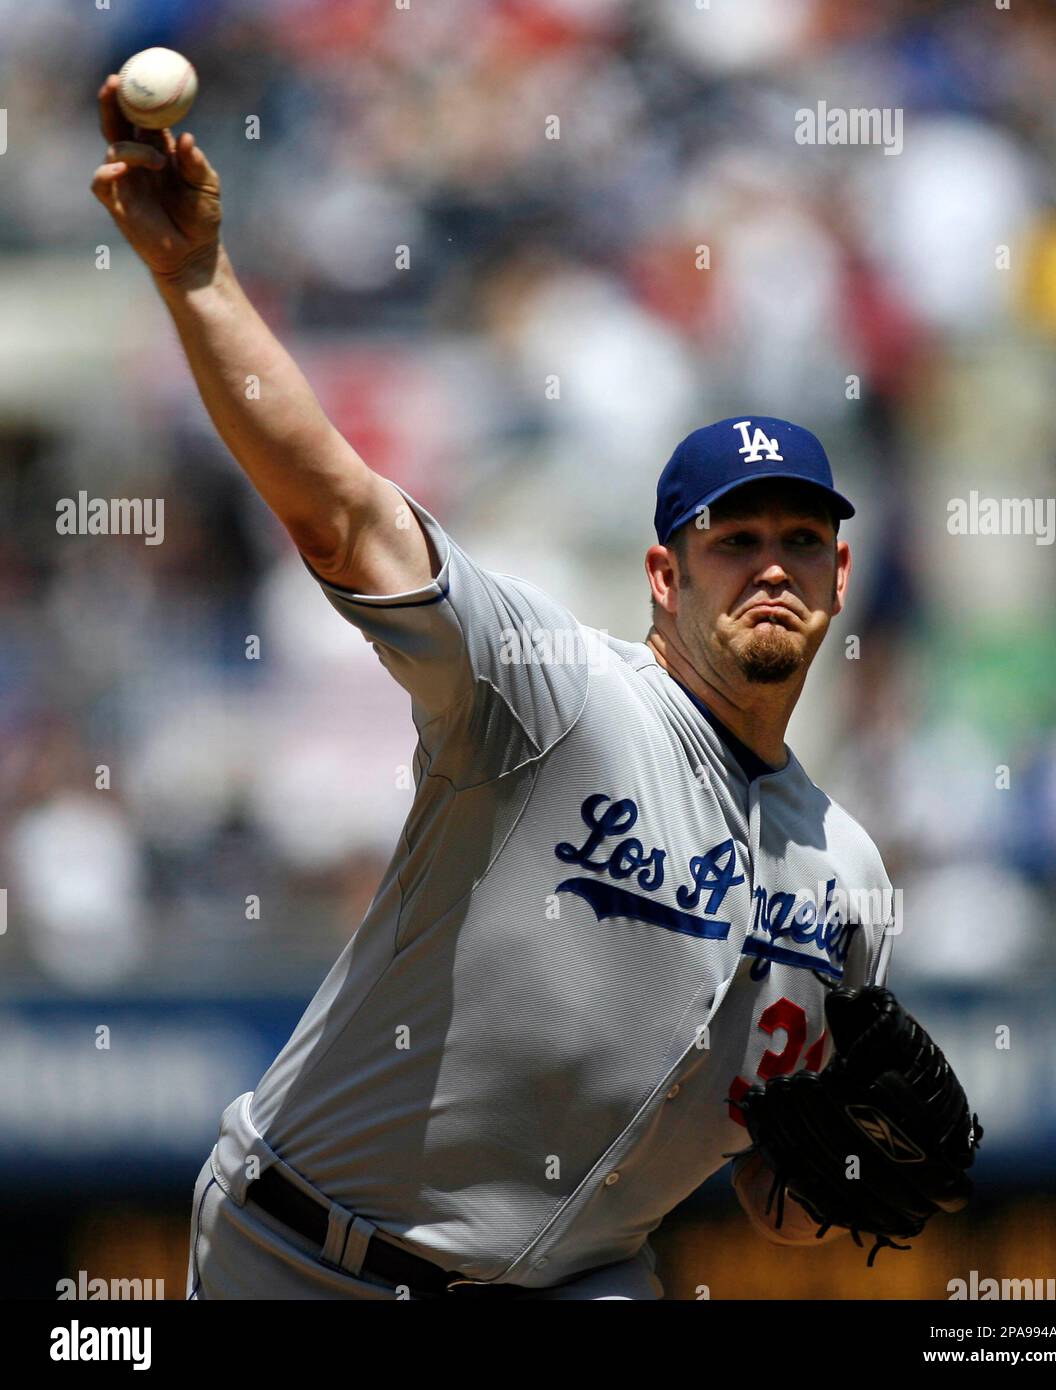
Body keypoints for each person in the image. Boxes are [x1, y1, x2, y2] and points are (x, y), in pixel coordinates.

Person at [92, 74, 895, 1301]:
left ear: (840, 573)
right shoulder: (556, 696)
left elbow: (776, 1200)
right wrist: (197, 282)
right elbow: (345, 516)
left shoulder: (847, 879)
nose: (770, 567)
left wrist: (840, 1171)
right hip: (306, 1256)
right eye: (735, 541)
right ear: (662, 577)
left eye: (799, 539)